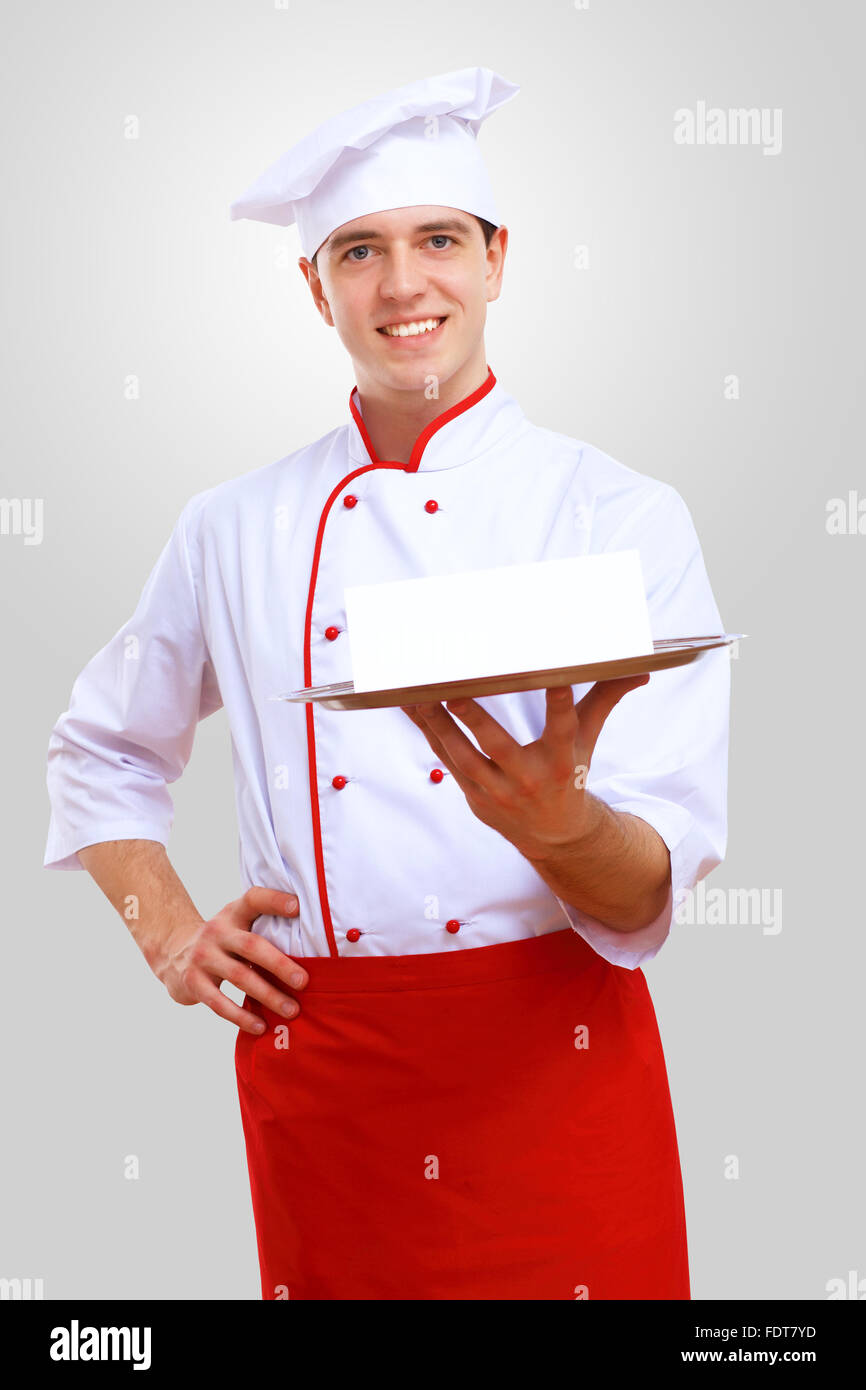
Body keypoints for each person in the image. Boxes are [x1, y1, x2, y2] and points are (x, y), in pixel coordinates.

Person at [43, 67, 730, 1300]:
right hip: (328, 1073)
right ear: (313, 288)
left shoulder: (621, 514)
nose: (403, 285)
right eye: (358, 251)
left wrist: (562, 828)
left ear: (497, 259)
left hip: (553, 1062)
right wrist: (167, 935)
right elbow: (102, 751)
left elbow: (650, 881)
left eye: (438, 241)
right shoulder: (232, 526)